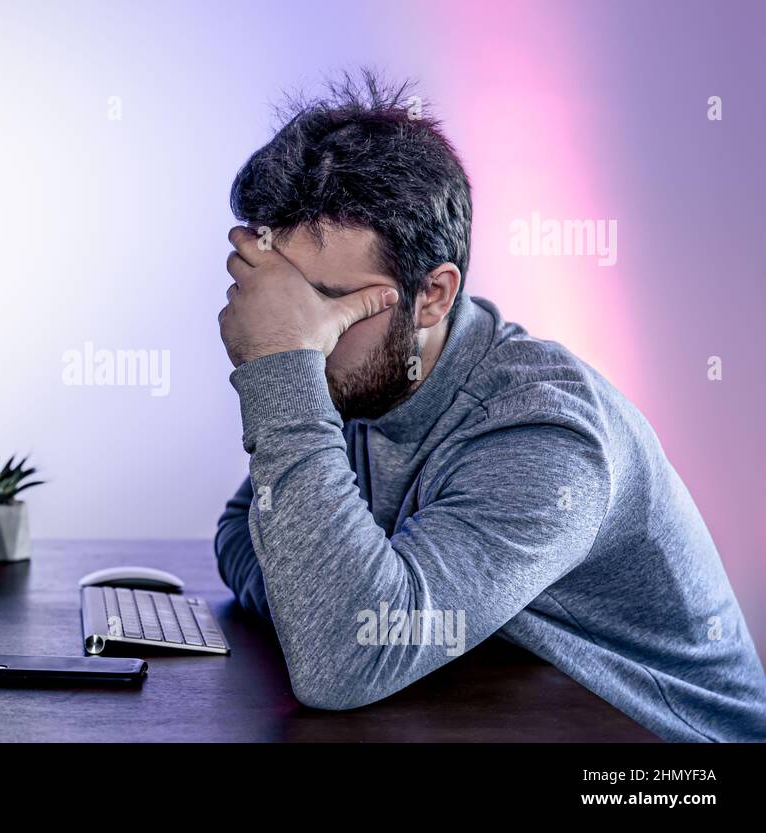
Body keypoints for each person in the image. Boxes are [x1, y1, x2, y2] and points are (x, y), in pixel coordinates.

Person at [214, 71, 766, 742]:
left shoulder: (546, 432)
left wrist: (280, 365)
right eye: (281, 301)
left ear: (434, 295)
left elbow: (342, 657)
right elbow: (243, 527)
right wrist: (320, 598)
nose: (301, 333)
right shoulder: (366, 383)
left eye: (322, 304)